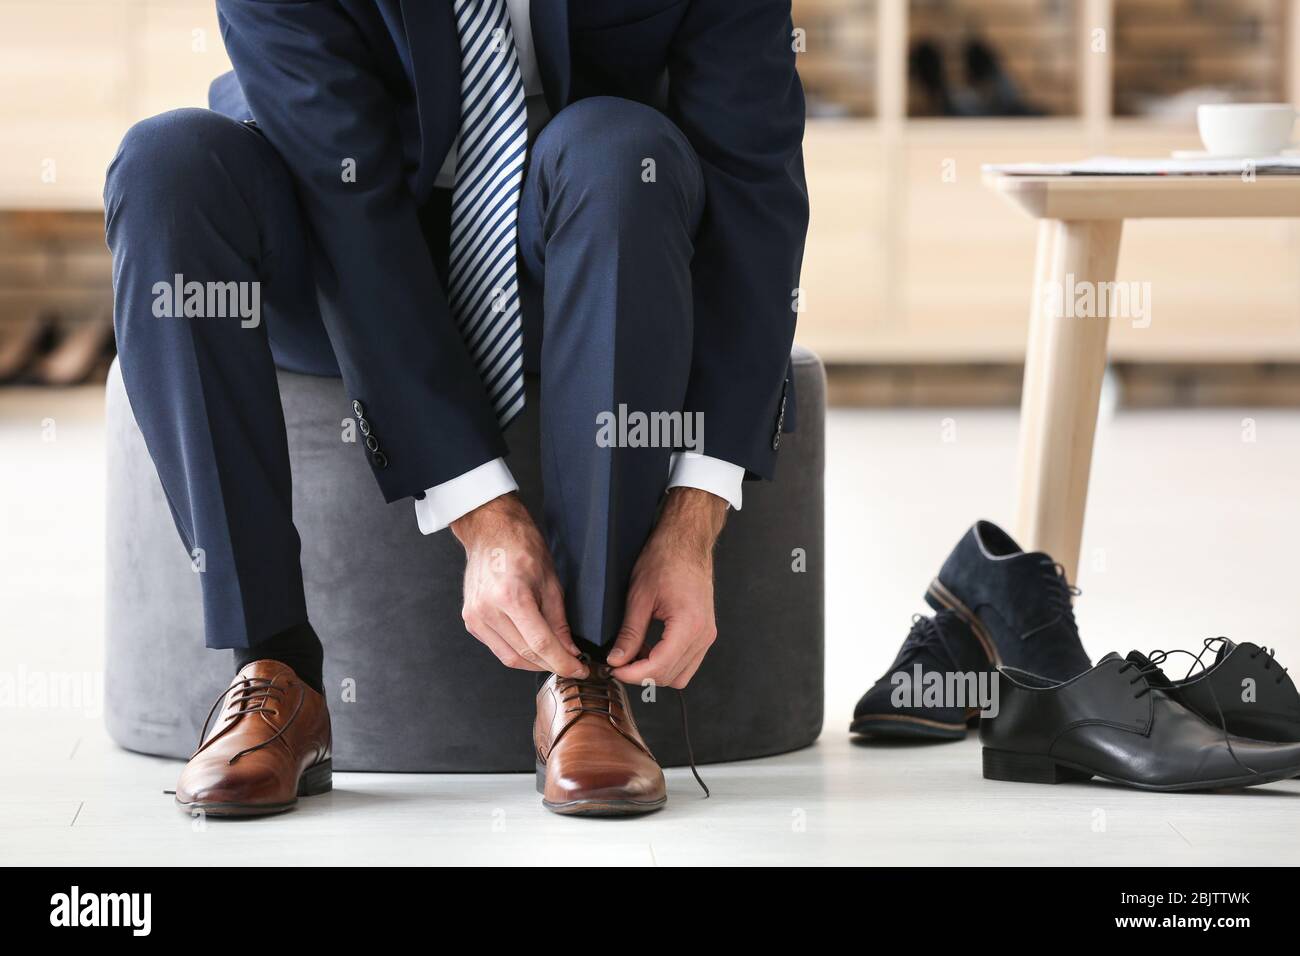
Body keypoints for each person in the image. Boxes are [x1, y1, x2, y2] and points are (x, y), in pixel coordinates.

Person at [103, 0, 808, 817]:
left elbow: (753, 186)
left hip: (581, 249)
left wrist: (695, 514)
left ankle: (585, 677)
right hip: (334, 242)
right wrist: (483, 513)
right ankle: (273, 670)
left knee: (621, 151)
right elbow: (346, 201)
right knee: (167, 166)